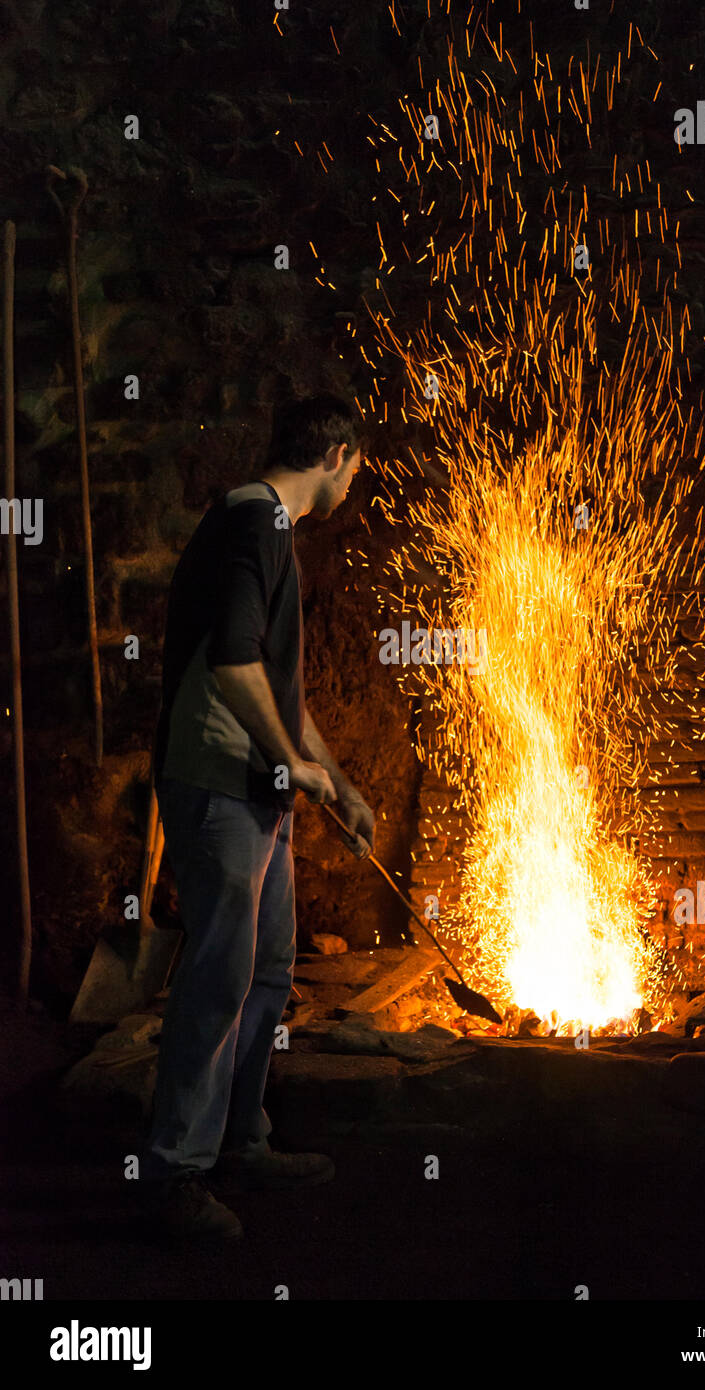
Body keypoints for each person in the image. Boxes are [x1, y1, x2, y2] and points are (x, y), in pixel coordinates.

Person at [136, 393, 375, 1241]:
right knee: (217, 980)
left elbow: (273, 680)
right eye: (358, 467)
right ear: (338, 454)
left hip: (256, 793)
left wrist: (335, 782)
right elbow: (235, 666)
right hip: (220, 788)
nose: (356, 483)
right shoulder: (253, 524)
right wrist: (289, 765)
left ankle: (241, 1140)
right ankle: (173, 1178)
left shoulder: (270, 535)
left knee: (267, 972)